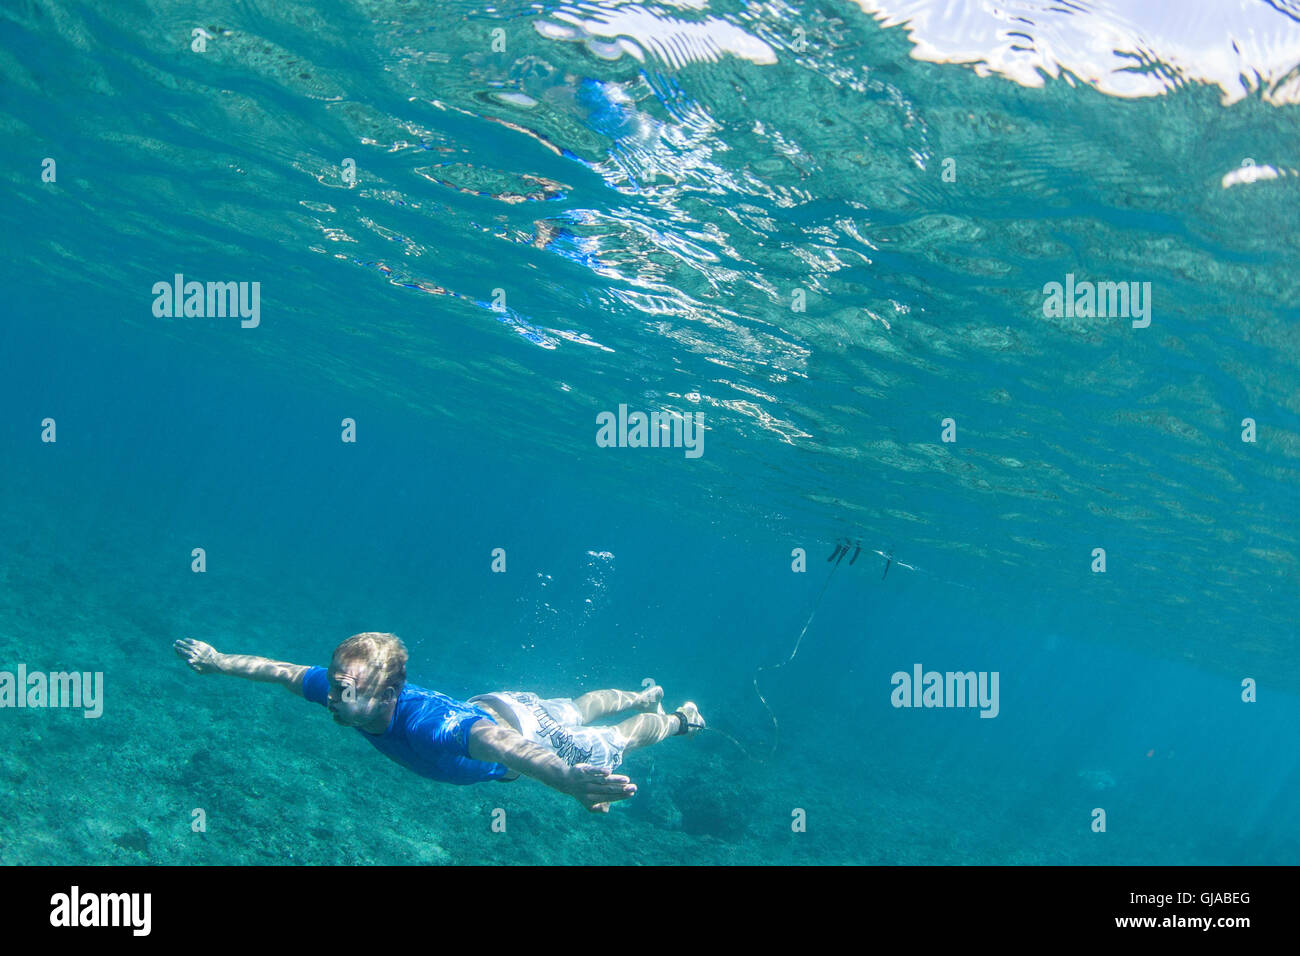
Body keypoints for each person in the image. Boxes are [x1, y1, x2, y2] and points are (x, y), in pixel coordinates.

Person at [172, 631, 704, 813]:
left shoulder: (429, 728)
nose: (330, 696)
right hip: (504, 703)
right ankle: (640, 692)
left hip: (524, 729)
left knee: (609, 742)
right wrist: (218, 661)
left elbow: (503, 746)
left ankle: (677, 717)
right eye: (334, 684)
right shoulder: (339, 691)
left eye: (345, 690)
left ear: (388, 697)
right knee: (572, 705)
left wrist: (568, 779)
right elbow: (284, 673)